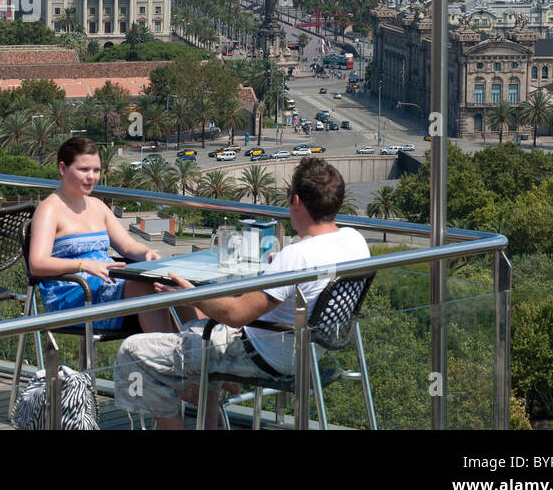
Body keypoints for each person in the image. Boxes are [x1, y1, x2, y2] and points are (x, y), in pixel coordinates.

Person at [114, 156, 370, 429]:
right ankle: (206, 416)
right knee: (196, 330)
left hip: (261, 355)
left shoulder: (297, 256)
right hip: (307, 350)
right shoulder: (355, 241)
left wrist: (187, 294)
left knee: (132, 351)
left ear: (296, 202)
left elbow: (237, 316)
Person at [28, 137, 171, 334]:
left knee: (177, 284)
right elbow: (37, 264)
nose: (92, 177)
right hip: (74, 292)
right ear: (63, 169)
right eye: (84, 169)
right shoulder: (49, 210)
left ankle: (198, 351)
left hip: (106, 283)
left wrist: (147, 253)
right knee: (146, 286)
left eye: (96, 170)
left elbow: (128, 246)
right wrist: (82, 265)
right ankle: (169, 356)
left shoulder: (97, 205)